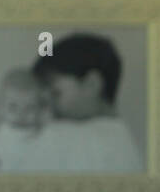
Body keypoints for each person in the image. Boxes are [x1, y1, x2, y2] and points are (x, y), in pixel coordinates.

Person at [21, 34, 144, 172]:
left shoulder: (66, 137)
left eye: (56, 93)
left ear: (92, 84)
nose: (47, 106)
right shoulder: (123, 140)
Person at [0, 67, 49, 171]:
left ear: (39, 109)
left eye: (30, 107)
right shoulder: (3, 131)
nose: (21, 114)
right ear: (1, 108)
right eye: (13, 107)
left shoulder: (40, 127)